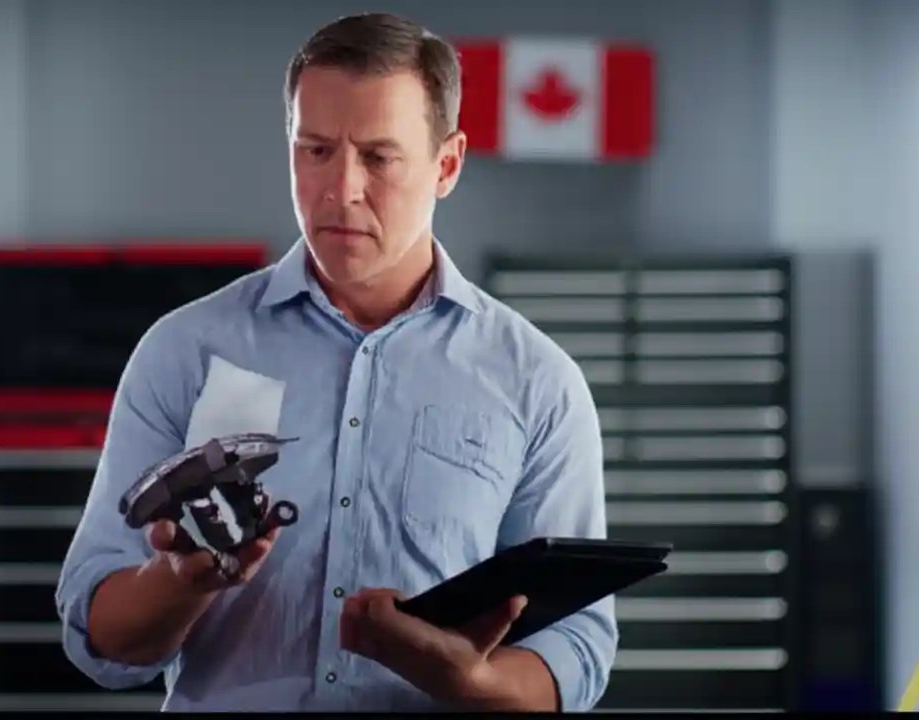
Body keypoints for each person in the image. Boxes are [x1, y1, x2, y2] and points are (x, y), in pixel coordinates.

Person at [54, 11, 616, 713]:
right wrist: (181, 581)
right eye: (315, 150)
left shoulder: (539, 384)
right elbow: (96, 631)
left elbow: (577, 645)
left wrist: (469, 683)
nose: (340, 189)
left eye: (379, 157)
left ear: (447, 165)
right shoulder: (185, 352)